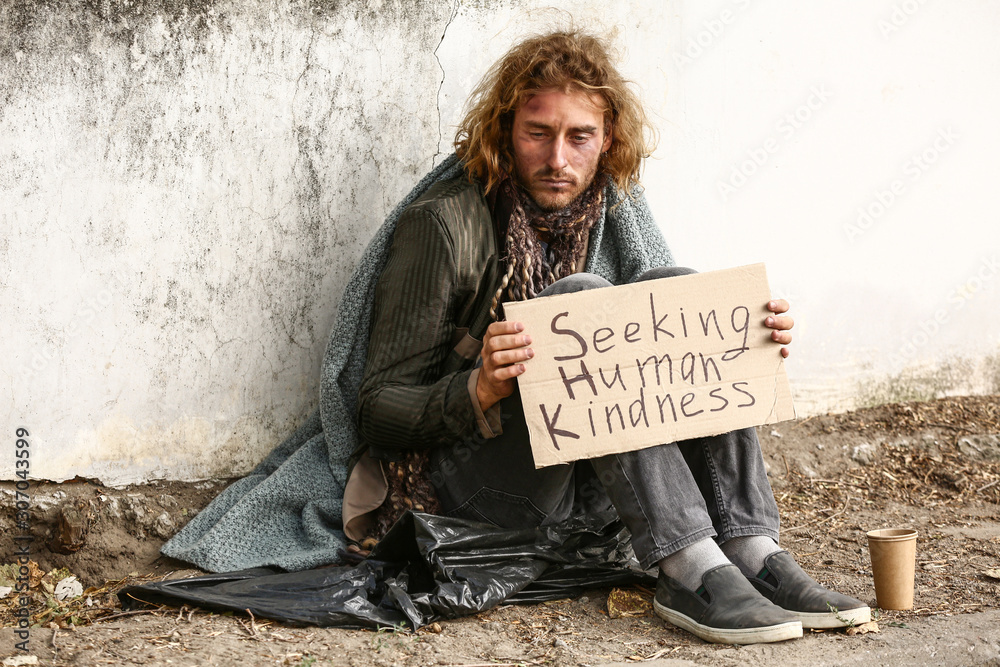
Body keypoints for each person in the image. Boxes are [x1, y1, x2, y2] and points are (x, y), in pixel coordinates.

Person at [346, 30, 871, 645]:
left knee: (680, 288)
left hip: (587, 485)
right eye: (536, 133)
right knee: (580, 301)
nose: (557, 159)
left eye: (580, 136)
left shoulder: (613, 207)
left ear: (608, 140)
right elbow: (376, 407)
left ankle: (752, 550)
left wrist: (745, 341)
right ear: (504, 133)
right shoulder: (442, 225)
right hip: (474, 489)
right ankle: (689, 572)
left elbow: (669, 362)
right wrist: (478, 388)